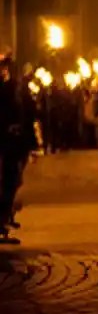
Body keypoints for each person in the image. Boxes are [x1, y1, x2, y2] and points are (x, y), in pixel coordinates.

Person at [0, 52, 35, 244]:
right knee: (7, 180)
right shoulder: (7, 89)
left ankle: (5, 218)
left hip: (15, 143)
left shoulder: (16, 88)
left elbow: (26, 114)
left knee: (13, 180)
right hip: (7, 142)